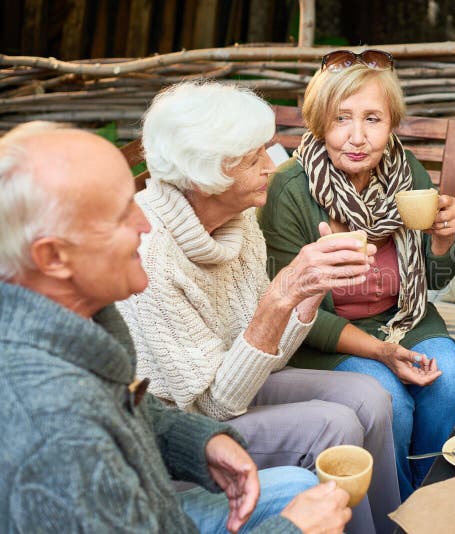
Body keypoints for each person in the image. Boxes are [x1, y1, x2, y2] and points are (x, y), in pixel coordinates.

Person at [0, 121, 352, 533]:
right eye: (120, 215)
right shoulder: (55, 435)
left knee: (297, 483)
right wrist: (292, 530)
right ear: (53, 257)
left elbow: (122, 403)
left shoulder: (71, 322)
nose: (145, 224)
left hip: (157, 505)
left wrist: (197, 442)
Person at [116, 82, 399, 534]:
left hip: (234, 389)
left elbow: (270, 357)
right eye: (254, 160)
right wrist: (282, 294)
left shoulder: (237, 219)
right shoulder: (149, 255)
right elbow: (213, 407)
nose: (272, 166)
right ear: (206, 176)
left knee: (368, 395)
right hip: (182, 430)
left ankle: (387, 526)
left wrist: (309, 288)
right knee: (335, 424)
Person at [259, 49, 455, 500]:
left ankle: (432, 501)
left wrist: (440, 240)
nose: (357, 137)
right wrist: (381, 352)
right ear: (319, 123)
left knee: (452, 375)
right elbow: (292, 307)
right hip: (324, 339)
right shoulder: (290, 190)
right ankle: (391, 506)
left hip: (403, 322)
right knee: (386, 396)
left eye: (373, 119)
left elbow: (432, 279)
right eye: (342, 119)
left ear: (392, 123)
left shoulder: (407, 173)